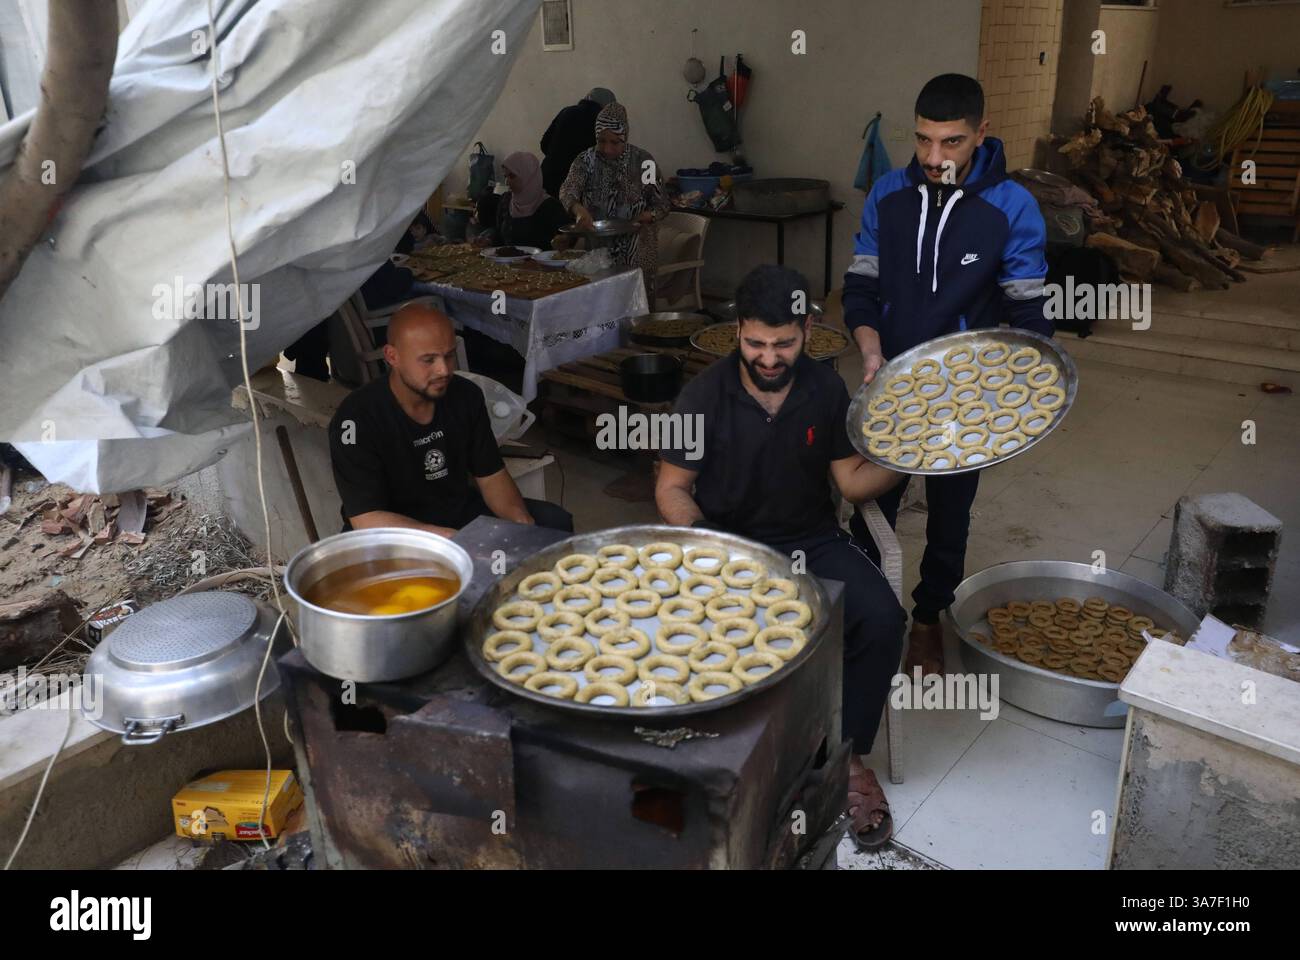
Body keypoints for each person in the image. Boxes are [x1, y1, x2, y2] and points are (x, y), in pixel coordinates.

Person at [656, 264, 907, 850]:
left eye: (784, 344)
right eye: (755, 343)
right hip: (730, 546)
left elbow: (850, 483)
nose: (769, 358)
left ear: (808, 331)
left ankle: (847, 759)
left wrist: (911, 457)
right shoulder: (704, 396)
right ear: (738, 329)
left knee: (881, 618)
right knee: (708, 639)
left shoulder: (824, 387)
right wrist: (711, 549)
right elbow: (671, 488)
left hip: (809, 540)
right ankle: (737, 766)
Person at [842, 73, 1052, 677]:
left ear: (982, 133)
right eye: (925, 141)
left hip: (966, 394)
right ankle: (865, 617)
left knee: (949, 513)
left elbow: (1027, 311)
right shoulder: (888, 192)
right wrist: (870, 345)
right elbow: (860, 283)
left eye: (953, 143)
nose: (935, 159)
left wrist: (1017, 386)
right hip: (892, 383)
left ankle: (928, 619)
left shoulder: (1010, 206)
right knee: (870, 507)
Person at [328, 302, 572, 536]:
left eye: (449, 356)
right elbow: (366, 519)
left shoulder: (466, 396)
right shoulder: (356, 419)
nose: (443, 370)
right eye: (428, 360)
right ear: (392, 356)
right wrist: (451, 541)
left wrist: (521, 523)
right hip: (389, 531)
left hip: (456, 513)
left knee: (553, 522)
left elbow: (491, 477)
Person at [558, 102, 669, 299]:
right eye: (601, 141)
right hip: (598, 252)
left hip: (637, 250)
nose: (607, 149)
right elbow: (568, 190)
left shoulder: (644, 162)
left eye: (615, 142)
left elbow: (662, 204)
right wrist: (578, 209)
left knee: (634, 309)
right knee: (599, 306)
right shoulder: (586, 161)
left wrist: (645, 216)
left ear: (625, 137)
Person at [471, 152, 570, 250]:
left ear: (529, 176)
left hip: (541, 264)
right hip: (508, 263)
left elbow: (565, 242)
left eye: (512, 176)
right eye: (505, 176)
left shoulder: (550, 206)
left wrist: (562, 242)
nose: (507, 182)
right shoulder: (506, 201)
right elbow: (501, 235)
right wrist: (489, 240)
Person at [540, 86, 615, 197]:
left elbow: (544, 144)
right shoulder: (604, 127)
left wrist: (557, 159)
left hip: (546, 179)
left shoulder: (566, 111)